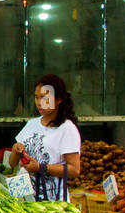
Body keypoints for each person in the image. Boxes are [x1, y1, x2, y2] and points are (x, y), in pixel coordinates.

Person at [7, 73, 82, 202]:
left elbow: (74, 170)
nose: (39, 103)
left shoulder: (66, 128)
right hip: (25, 199)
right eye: (37, 97)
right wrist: (15, 149)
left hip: (53, 202)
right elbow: (12, 163)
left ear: (59, 99)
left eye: (44, 98)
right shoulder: (31, 124)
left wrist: (41, 168)